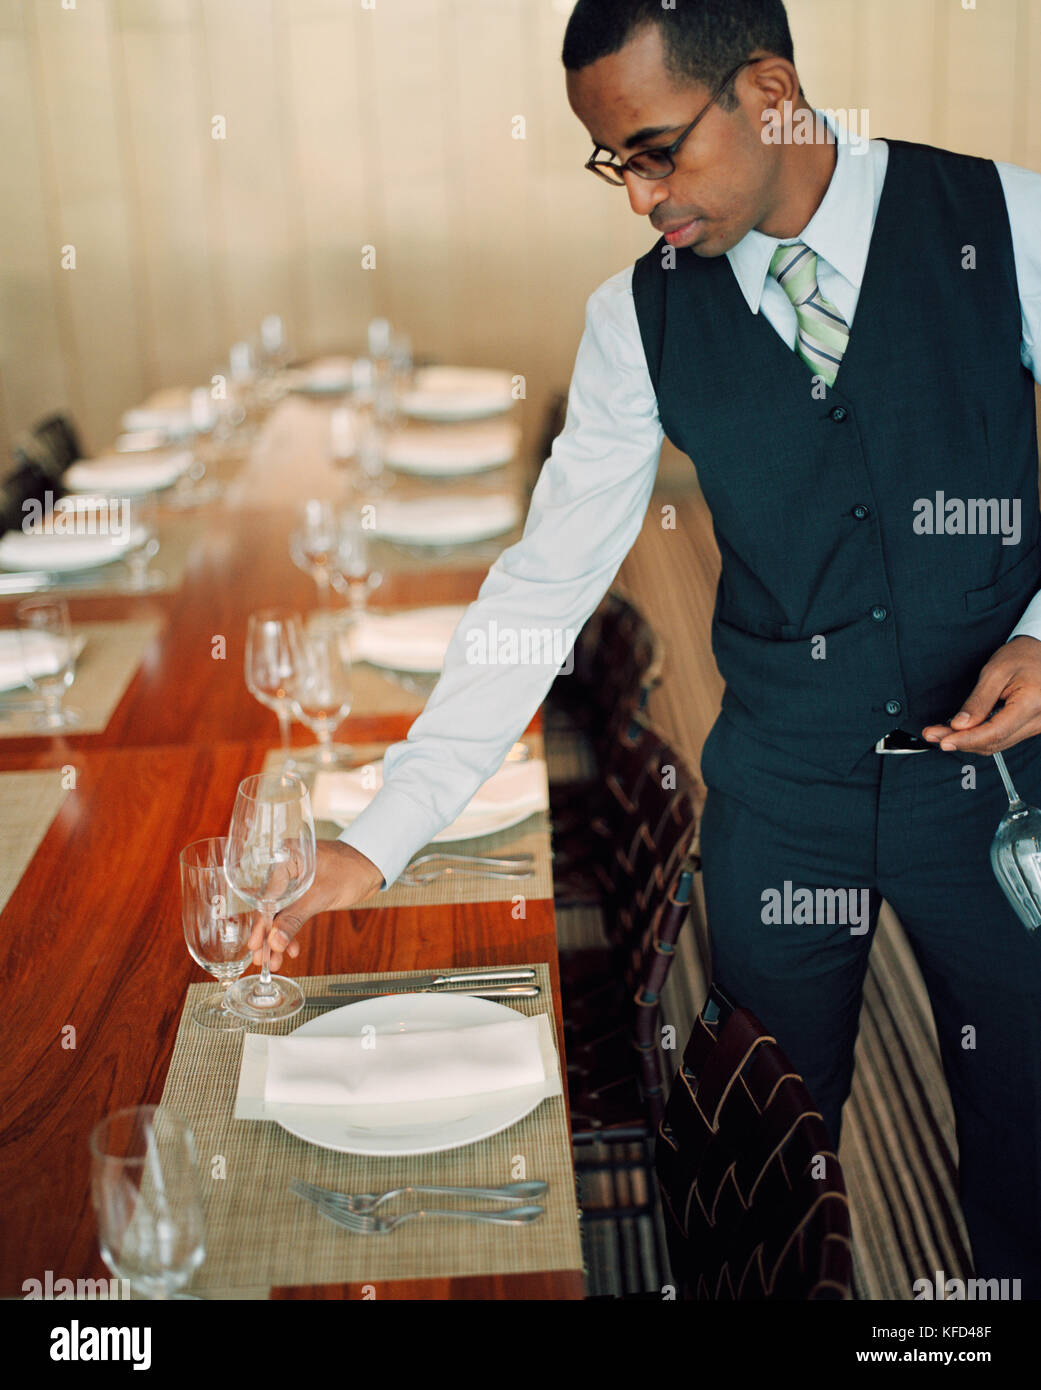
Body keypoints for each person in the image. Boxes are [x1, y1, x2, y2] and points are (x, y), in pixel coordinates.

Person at [252, 0, 1041, 1295]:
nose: (637, 197)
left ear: (769, 90)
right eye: (611, 161)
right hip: (781, 795)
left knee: (1024, 1153)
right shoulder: (639, 319)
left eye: (655, 150)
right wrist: (381, 831)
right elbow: (544, 580)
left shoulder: (999, 220)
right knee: (757, 1167)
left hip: (996, 791)